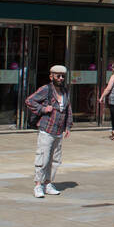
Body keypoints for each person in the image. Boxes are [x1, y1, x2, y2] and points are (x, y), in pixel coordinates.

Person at [25, 64, 72, 198]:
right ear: (51, 76)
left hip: (58, 130)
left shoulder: (65, 91)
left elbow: (68, 109)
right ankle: (38, 185)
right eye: (58, 76)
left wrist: (68, 126)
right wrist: (43, 109)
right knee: (43, 158)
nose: (61, 78)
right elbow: (29, 100)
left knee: (55, 160)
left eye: (63, 76)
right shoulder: (46, 89)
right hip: (47, 128)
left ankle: (48, 183)